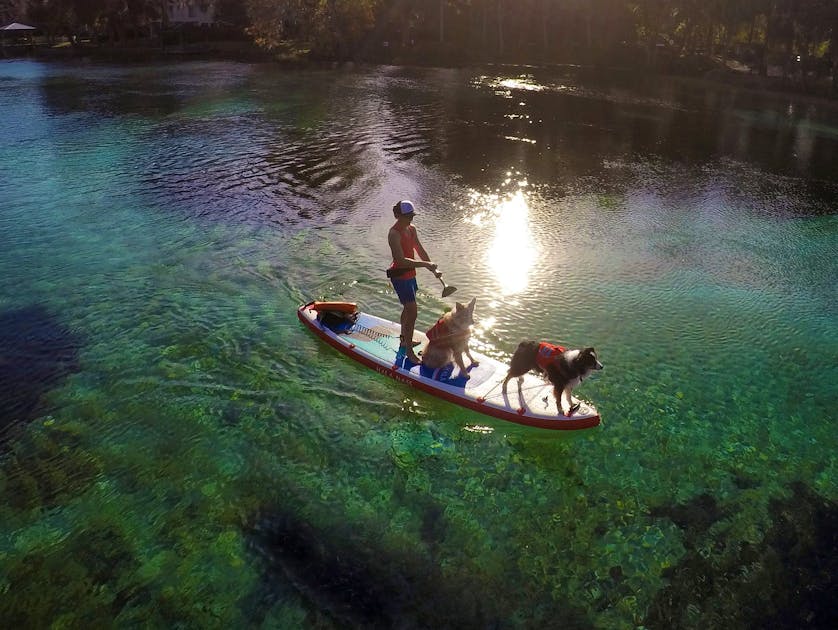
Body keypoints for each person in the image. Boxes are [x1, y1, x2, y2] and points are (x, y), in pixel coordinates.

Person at [387, 200, 438, 364]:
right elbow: (400, 261)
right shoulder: (394, 234)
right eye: (408, 216)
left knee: (408, 310)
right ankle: (409, 352)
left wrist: (432, 267)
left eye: (412, 216)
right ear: (398, 215)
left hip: (410, 275)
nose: (410, 219)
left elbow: (420, 249)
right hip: (400, 276)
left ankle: (404, 340)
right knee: (413, 313)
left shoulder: (412, 229)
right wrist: (425, 264)